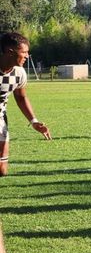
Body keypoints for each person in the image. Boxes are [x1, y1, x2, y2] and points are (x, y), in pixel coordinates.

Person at [0, 32, 52, 177]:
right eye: (24, 52)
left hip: (0, 119)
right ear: (10, 52)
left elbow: (21, 97)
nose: (27, 56)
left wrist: (34, 121)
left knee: (2, 170)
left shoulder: (19, 73)